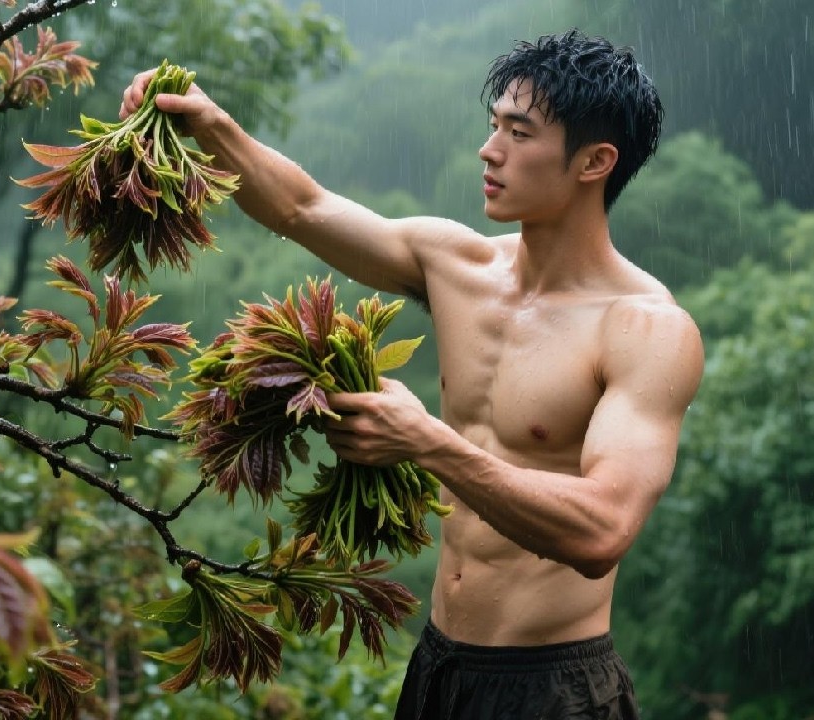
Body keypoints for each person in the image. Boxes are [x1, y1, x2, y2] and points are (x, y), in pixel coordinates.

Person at [121, 29, 704, 718]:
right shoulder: (456, 264)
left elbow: (601, 532)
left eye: (520, 134)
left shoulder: (646, 330)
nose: (490, 151)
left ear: (595, 161)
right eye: (494, 127)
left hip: (552, 688)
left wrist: (425, 440)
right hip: (437, 667)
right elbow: (301, 208)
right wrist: (210, 124)